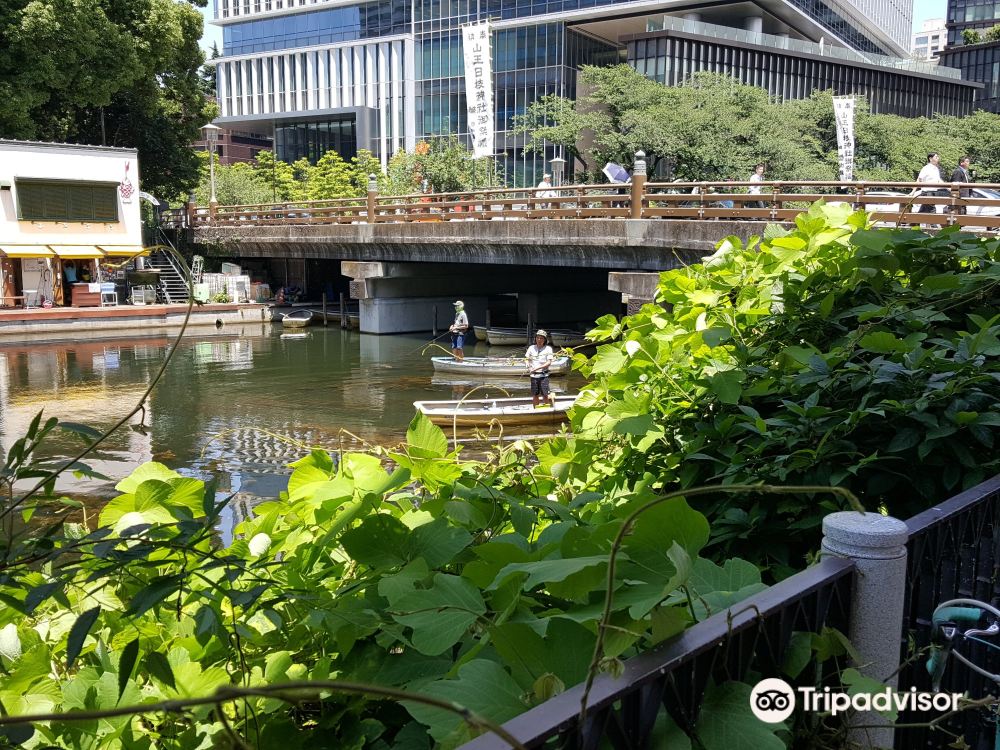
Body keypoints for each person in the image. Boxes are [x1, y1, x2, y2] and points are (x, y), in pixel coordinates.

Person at [525, 329, 555, 408]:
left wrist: (538, 368)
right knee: (535, 394)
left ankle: (546, 409)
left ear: (545, 339)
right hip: (533, 376)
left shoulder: (548, 349)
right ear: (535, 338)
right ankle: (535, 409)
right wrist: (528, 366)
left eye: (541, 338)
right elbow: (526, 359)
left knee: (545, 394)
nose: (539, 340)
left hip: (543, 375)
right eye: (537, 338)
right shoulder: (531, 348)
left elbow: (549, 362)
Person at [917, 152, 943, 220]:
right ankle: (934, 228)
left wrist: (949, 188)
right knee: (932, 210)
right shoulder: (926, 168)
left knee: (923, 211)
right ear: (930, 159)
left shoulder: (936, 169)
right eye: (936, 157)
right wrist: (914, 191)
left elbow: (939, 180)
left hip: (933, 192)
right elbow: (920, 179)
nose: (938, 158)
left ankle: (913, 224)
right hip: (927, 192)